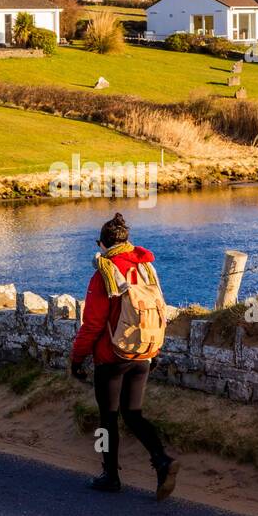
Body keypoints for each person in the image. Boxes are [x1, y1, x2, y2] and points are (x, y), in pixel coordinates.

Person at [70, 212, 179, 499]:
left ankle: (110, 476)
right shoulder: (145, 268)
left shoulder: (105, 272)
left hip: (112, 356)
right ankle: (162, 460)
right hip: (144, 352)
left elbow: (93, 324)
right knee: (133, 414)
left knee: (108, 418)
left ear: (101, 244)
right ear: (127, 240)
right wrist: (153, 349)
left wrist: (77, 358)